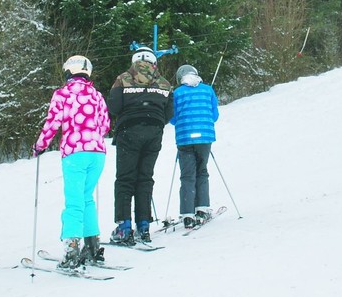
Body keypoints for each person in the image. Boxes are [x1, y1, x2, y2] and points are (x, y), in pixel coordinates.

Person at [33, 55, 111, 268]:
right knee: (87, 199)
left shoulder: (63, 94)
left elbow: (53, 122)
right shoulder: (97, 95)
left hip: (75, 152)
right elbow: (105, 125)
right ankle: (93, 247)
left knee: (74, 202)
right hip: (98, 153)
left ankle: (71, 251)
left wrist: (40, 145)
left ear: (69, 71)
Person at [107, 48, 173, 245]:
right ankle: (144, 225)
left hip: (129, 131)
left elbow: (114, 107)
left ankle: (124, 226)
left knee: (125, 179)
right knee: (145, 178)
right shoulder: (164, 83)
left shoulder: (123, 79)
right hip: (154, 132)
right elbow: (169, 113)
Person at [172, 64, 220, 229]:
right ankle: (202, 209)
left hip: (185, 138)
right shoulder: (208, 90)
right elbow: (214, 115)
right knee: (202, 171)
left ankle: (187, 214)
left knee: (187, 175)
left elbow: (172, 117)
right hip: (205, 137)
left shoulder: (177, 93)